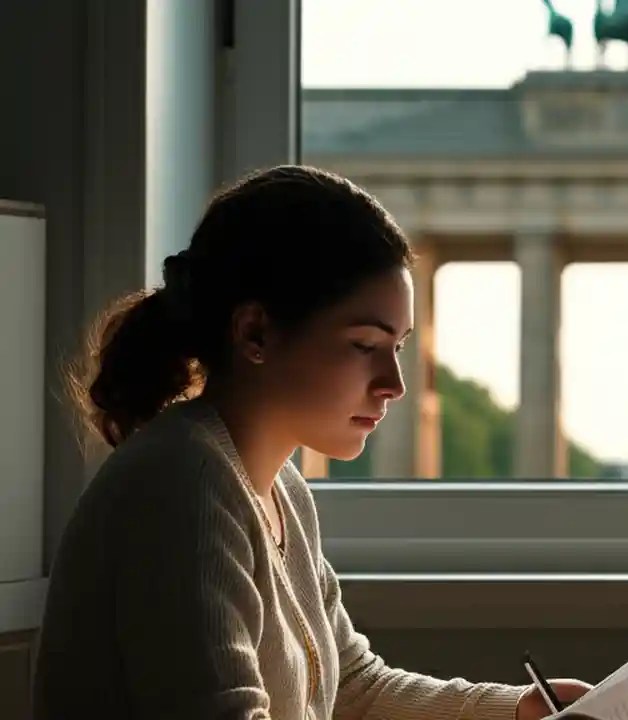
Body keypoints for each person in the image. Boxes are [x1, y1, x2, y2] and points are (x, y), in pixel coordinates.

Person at [32, 165, 592, 719]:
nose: (395, 385)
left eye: (397, 346)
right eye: (363, 345)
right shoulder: (183, 486)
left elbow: (352, 687)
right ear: (255, 333)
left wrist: (518, 711)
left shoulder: (280, 487)